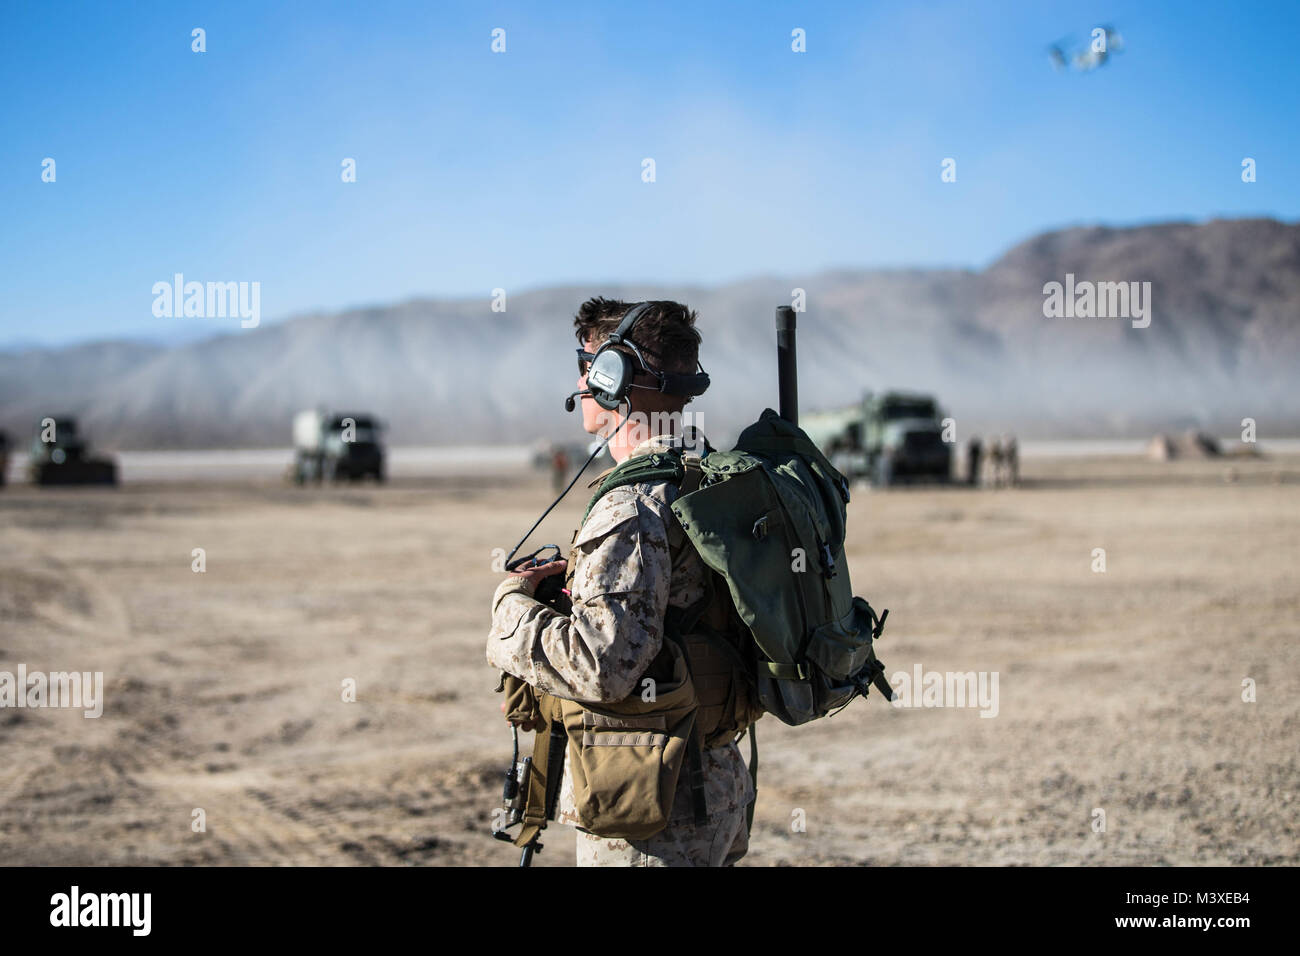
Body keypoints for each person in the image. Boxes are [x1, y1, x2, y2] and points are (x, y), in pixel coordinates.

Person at [486, 298, 754, 866]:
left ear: (613, 378)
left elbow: (604, 666)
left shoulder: (632, 504)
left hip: (654, 808)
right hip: (714, 785)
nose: (581, 382)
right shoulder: (705, 475)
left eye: (588, 365)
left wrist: (510, 610)